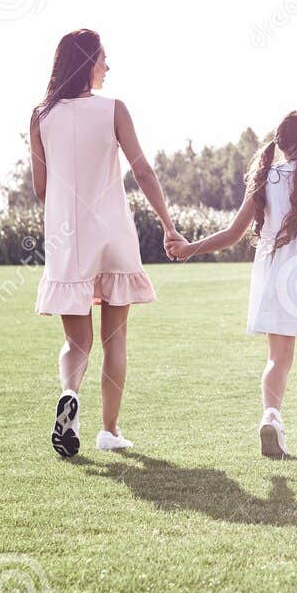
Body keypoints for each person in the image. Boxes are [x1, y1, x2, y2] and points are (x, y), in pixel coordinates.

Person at [32, 29, 183, 458]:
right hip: (113, 234)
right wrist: (169, 227)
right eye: (103, 59)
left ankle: (69, 394)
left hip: (67, 240)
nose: (108, 67)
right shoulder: (114, 109)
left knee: (77, 343)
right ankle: (110, 432)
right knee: (115, 340)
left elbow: (41, 188)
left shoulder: (41, 115)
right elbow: (144, 171)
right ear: (88, 63)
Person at [167, 111, 297, 458]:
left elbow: (232, 235)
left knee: (278, 359)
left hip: (278, 271)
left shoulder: (265, 178)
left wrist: (187, 249)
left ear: (282, 145)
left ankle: (271, 417)